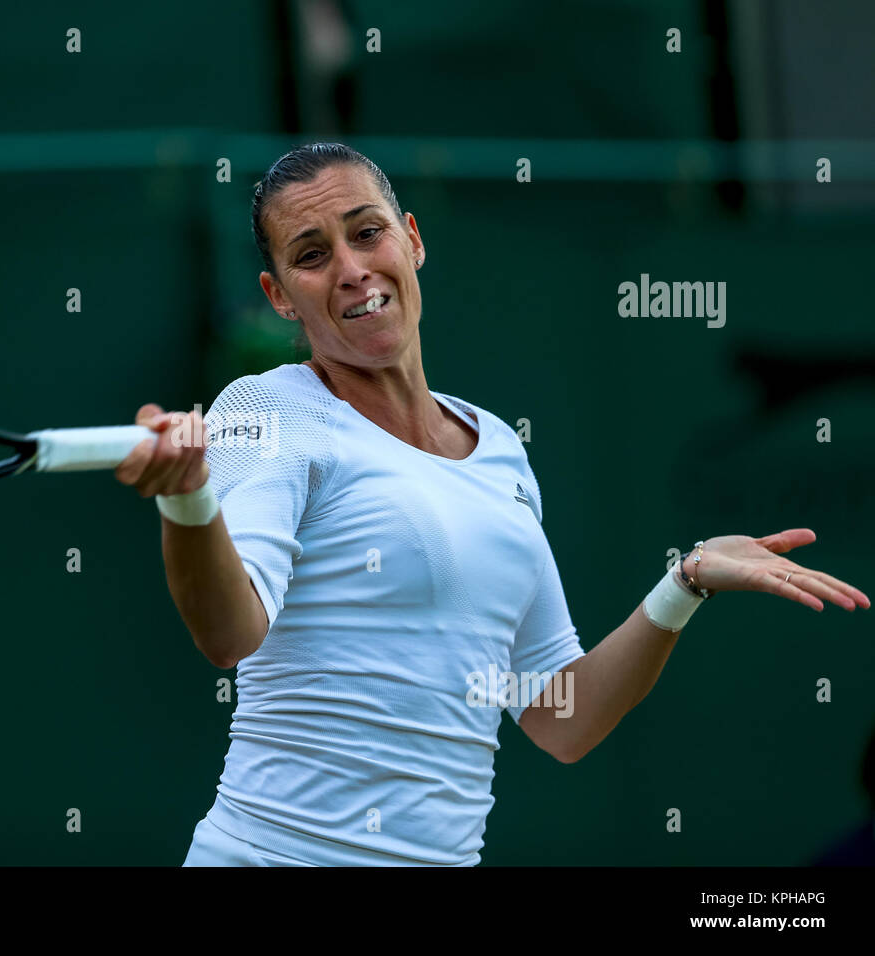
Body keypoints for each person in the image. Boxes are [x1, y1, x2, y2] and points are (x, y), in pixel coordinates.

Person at [114, 143, 871, 866]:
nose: (350, 269)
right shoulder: (268, 410)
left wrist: (687, 583)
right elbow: (229, 633)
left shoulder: (500, 447)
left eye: (366, 232)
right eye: (311, 255)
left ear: (411, 240)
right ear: (280, 296)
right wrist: (189, 503)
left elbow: (561, 717)